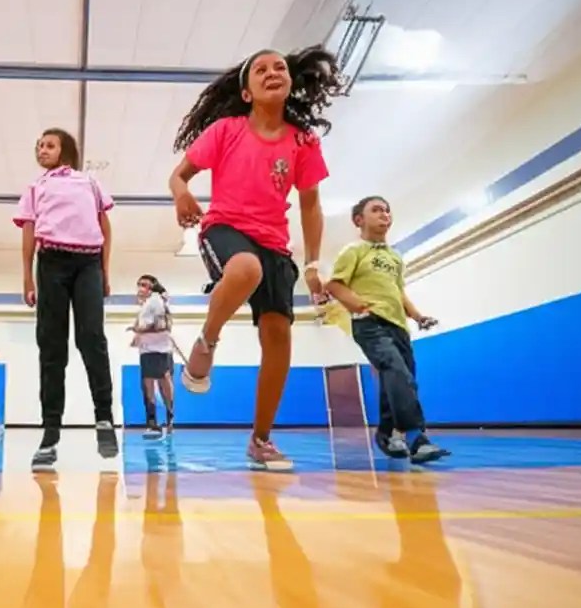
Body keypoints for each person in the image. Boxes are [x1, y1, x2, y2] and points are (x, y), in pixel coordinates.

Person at [168, 47, 340, 470]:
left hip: (275, 242)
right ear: (246, 92)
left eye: (279, 67)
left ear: (291, 82)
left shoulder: (303, 140)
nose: (272, 72)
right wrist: (182, 194)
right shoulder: (227, 130)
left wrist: (315, 264)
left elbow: (311, 204)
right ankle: (207, 340)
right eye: (260, 70)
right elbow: (179, 174)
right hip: (225, 228)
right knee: (246, 268)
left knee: (279, 336)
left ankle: (261, 440)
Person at [15, 128, 116, 470]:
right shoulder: (36, 187)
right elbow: (29, 232)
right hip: (51, 263)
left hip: (88, 262)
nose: (42, 150)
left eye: (49, 145)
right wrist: (28, 276)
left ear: (65, 150)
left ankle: (104, 418)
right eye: (39, 145)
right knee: (52, 346)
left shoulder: (88, 182)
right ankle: (50, 432)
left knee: (92, 339)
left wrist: (104, 271)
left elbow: (105, 226)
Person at [326, 196, 449, 464]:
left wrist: (417, 316)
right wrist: (356, 304)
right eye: (376, 210)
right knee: (396, 371)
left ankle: (386, 434)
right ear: (359, 220)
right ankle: (417, 438)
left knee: (397, 378)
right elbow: (334, 286)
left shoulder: (395, 257)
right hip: (369, 323)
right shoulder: (354, 251)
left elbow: (398, 292)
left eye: (387, 210)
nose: (385, 214)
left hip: (399, 326)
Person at [129, 274, 175, 439]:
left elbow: (163, 325)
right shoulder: (147, 305)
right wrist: (137, 336)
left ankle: (160, 421)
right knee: (148, 385)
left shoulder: (155, 301)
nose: (141, 288)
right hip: (148, 350)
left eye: (145, 285)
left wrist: (140, 330)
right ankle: (156, 422)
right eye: (139, 284)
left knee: (159, 384)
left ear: (152, 288)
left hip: (159, 350)